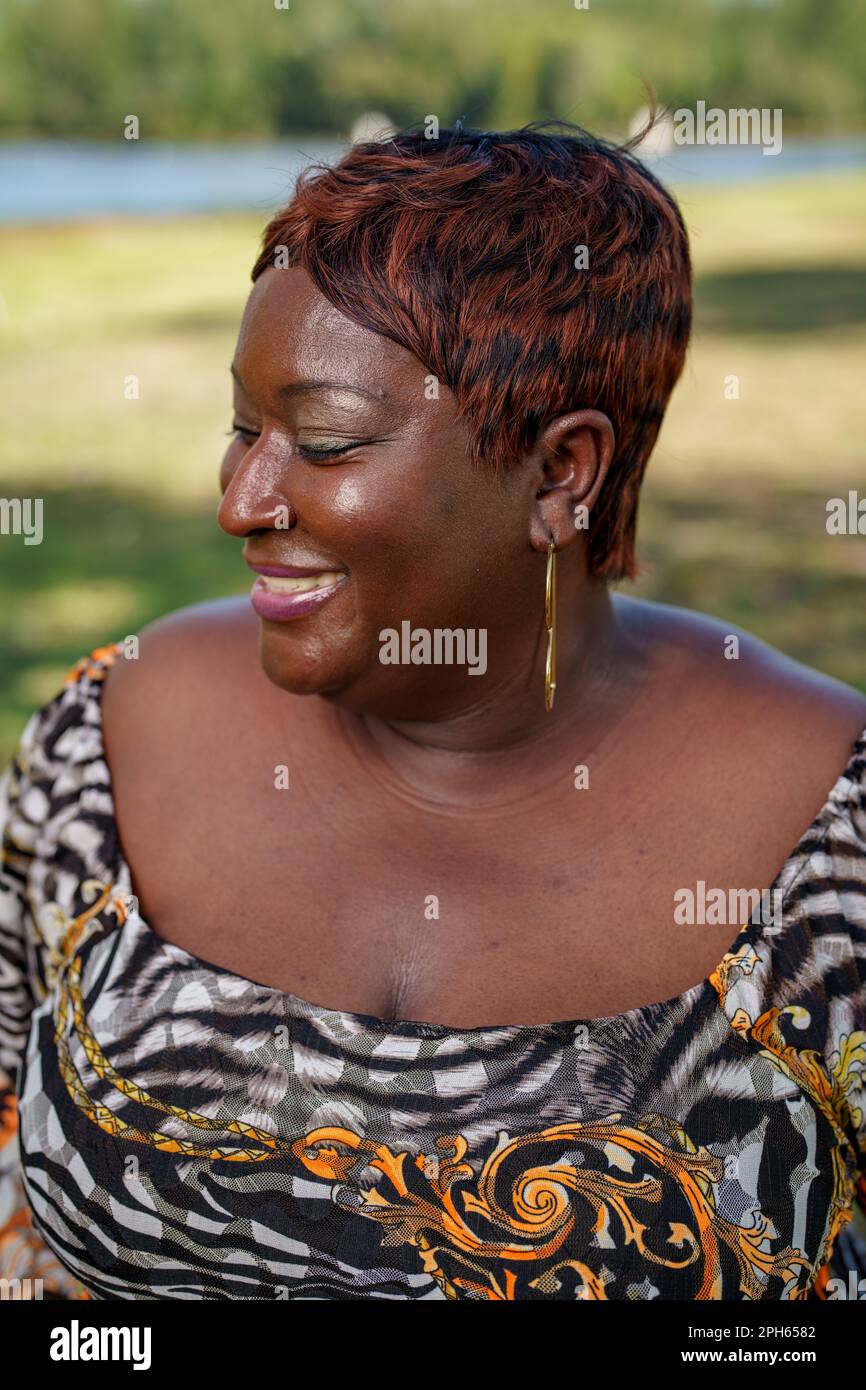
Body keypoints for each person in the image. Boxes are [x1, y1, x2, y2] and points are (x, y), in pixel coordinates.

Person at [2, 123, 864, 1301]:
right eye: (241, 429)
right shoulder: (108, 737)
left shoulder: (832, 837)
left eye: (323, 441)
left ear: (560, 473)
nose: (243, 499)